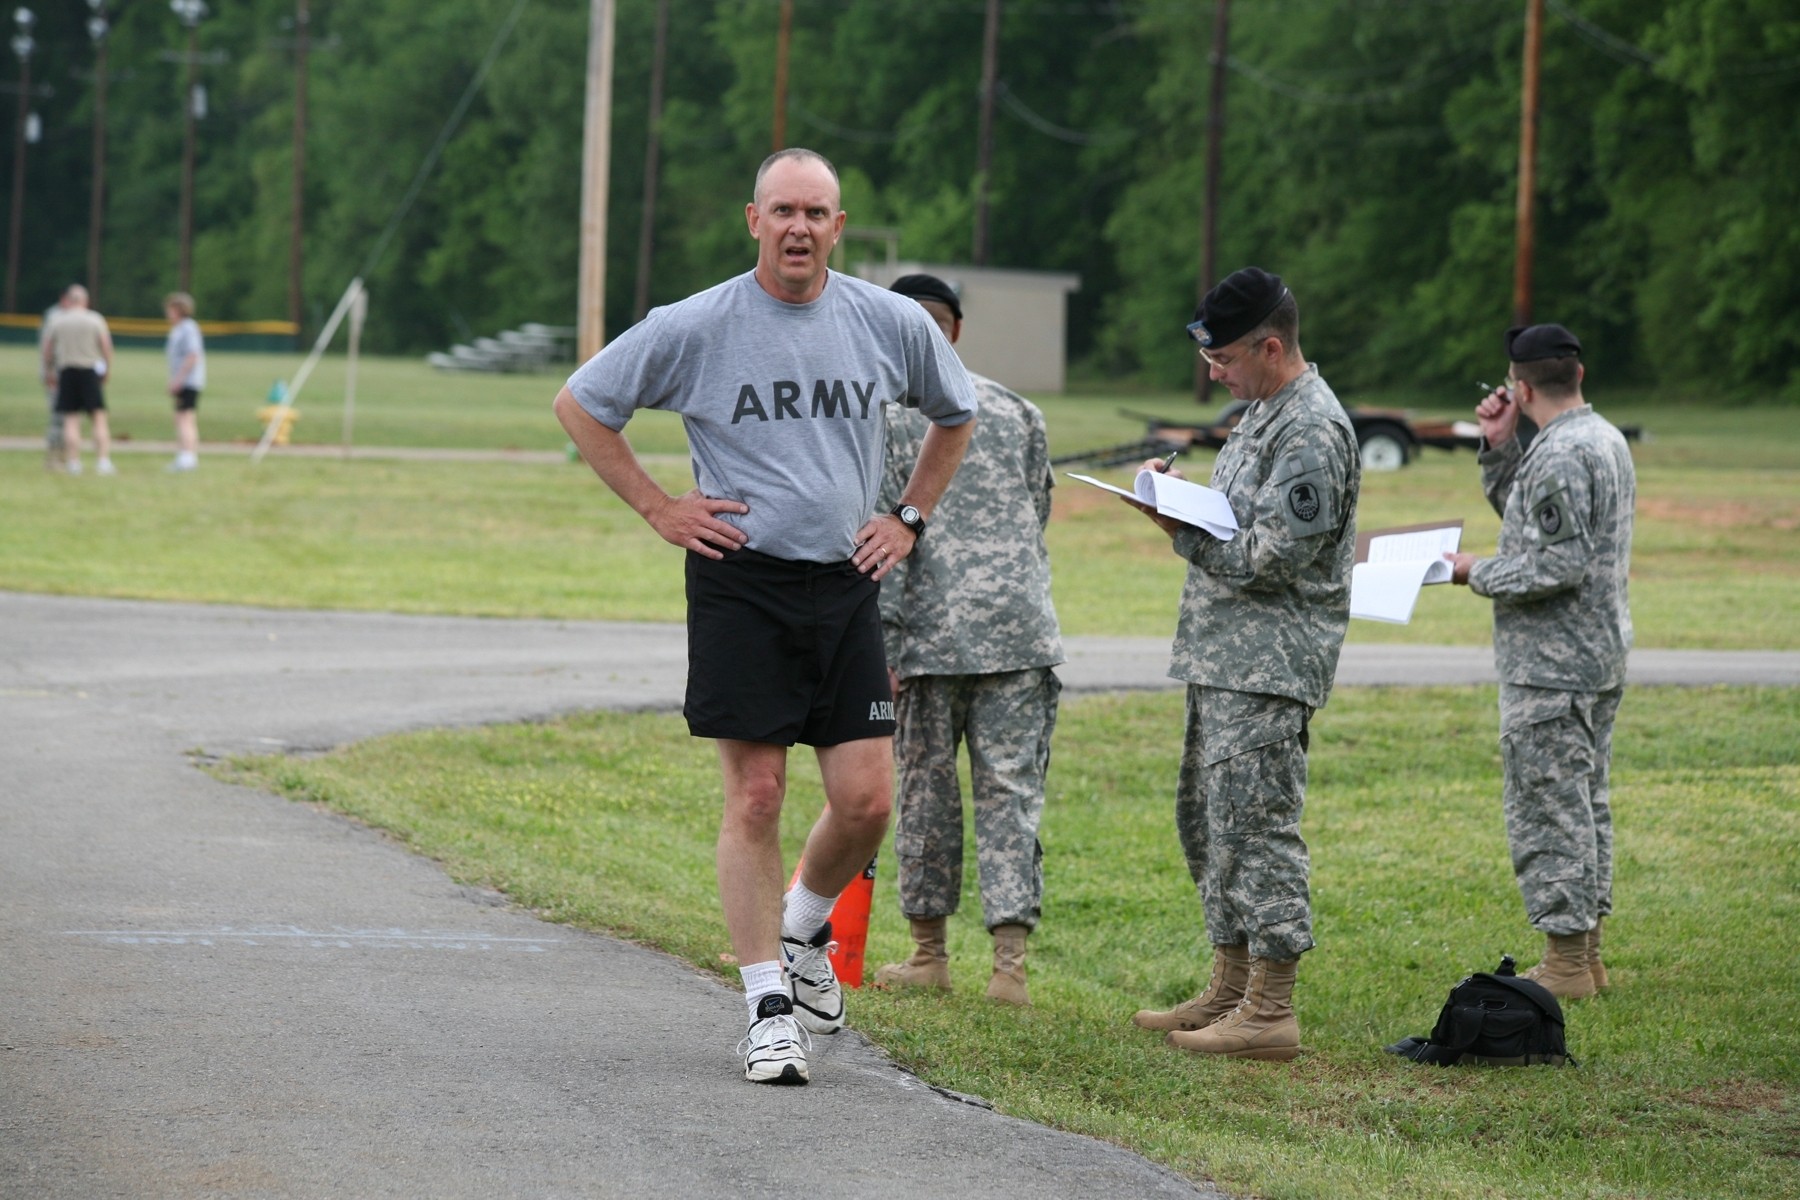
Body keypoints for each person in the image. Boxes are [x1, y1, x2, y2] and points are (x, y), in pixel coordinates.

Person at [552, 149, 977, 1085]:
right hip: (741, 582)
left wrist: (907, 518)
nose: (798, 228)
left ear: (838, 226)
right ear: (754, 220)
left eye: (816, 213)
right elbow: (581, 404)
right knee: (756, 796)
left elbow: (958, 413)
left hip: (846, 582)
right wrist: (659, 506)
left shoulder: (889, 321)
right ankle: (767, 1011)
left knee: (866, 802)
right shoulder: (697, 323)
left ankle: (802, 928)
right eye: (783, 210)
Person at [1125, 267, 1359, 1061]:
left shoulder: (1311, 429)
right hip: (1225, 657)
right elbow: (1240, 518)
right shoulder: (1263, 413)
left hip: (1268, 664)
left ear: (1271, 347)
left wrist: (1176, 528)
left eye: (1223, 359)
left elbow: (1270, 557)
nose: (1213, 374)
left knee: (1258, 830)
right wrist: (1182, 499)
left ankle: (1270, 1009)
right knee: (1211, 825)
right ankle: (1229, 986)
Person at [870, 274, 1063, 1006]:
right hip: (1020, 630)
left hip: (930, 635)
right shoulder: (1016, 408)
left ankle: (930, 955)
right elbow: (1037, 511)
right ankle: (1009, 968)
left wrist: (883, 647)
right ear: (954, 331)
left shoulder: (884, 418)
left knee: (926, 792)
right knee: (1012, 793)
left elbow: (878, 540)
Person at [1444, 324, 1634, 1000]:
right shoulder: (1601, 438)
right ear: (1577, 375)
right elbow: (1537, 522)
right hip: (1593, 652)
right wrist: (1501, 448)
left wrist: (1473, 570)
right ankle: (1586, 955)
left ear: (1520, 389)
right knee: (1583, 802)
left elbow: (1555, 563)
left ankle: (1564, 963)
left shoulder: (1562, 454)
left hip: (1553, 662)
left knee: (1550, 807)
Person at [43, 285, 116, 476]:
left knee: (71, 419)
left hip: (67, 372)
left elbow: (48, 350)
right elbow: (106, 346)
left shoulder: (58, 320)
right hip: (89, 371)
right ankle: (103, 461)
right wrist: (107, 369)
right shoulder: (95, 319)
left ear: (68, 300)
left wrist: (49, 371)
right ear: (85, 301)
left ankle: (74, 463)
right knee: (98, 418)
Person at [163, 292, 206, 472]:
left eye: (170, 309)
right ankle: (186, 456)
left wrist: (178, 380)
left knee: (184, 419)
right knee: (183, 418)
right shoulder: (179, 328)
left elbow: (192, 355)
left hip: (188, 381)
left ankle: (187, 457)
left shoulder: (188, 328)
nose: (167, 313)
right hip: (185, 380)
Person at [37, 287, 76, 469]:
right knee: (57, 415)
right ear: (63, 298)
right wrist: (48, 372)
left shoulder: (72, 316)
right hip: (56, 372)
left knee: (69, 416)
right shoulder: (54, 316)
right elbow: (47, 348)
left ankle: (65, 454)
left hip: (70, 372)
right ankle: (54, 455)